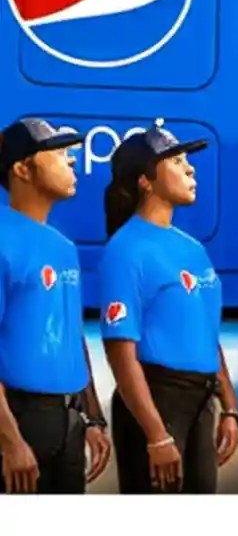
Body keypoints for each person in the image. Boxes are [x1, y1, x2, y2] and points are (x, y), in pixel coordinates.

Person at [98, 121, 238, 493]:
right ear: (145, 180)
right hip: (158, 400)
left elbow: (208, 335)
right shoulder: (126, 249)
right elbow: (120, 352)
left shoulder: (193, 249)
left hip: (201, 401)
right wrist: (156, 434)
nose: (190, 168)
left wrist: (229, 406)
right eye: (176, 161)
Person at [0, 119, 111, 494]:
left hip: (68, 421)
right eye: (60, 154)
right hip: (19, 419)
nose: (72, 163)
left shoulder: (63, 247)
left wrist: (93, 418)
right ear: (21, 169)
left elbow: (71, 335)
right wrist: (11, 442)